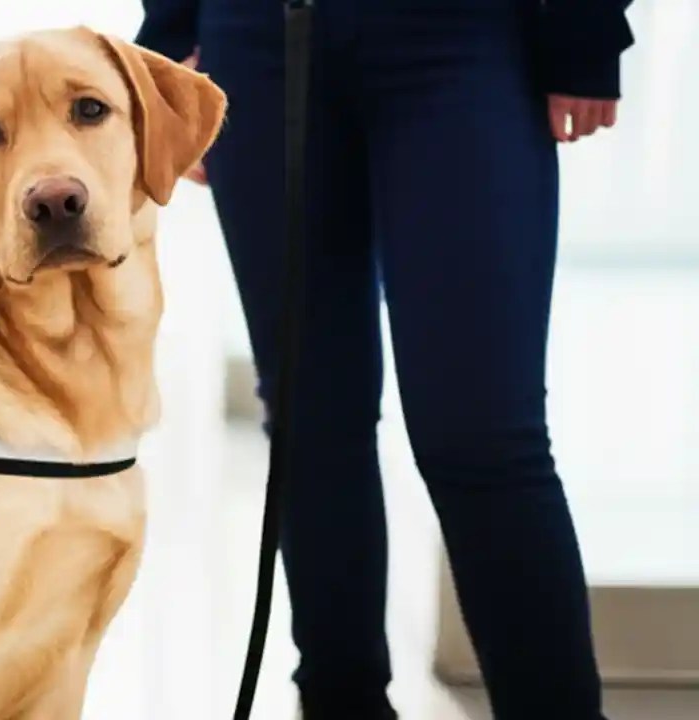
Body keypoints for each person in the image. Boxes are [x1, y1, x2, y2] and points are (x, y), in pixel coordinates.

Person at [134, 0, 635, 718]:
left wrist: (583, 28)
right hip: (258, 41)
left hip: (463, 40)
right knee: (309, 419)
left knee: (482, 434)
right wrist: (173, 32)